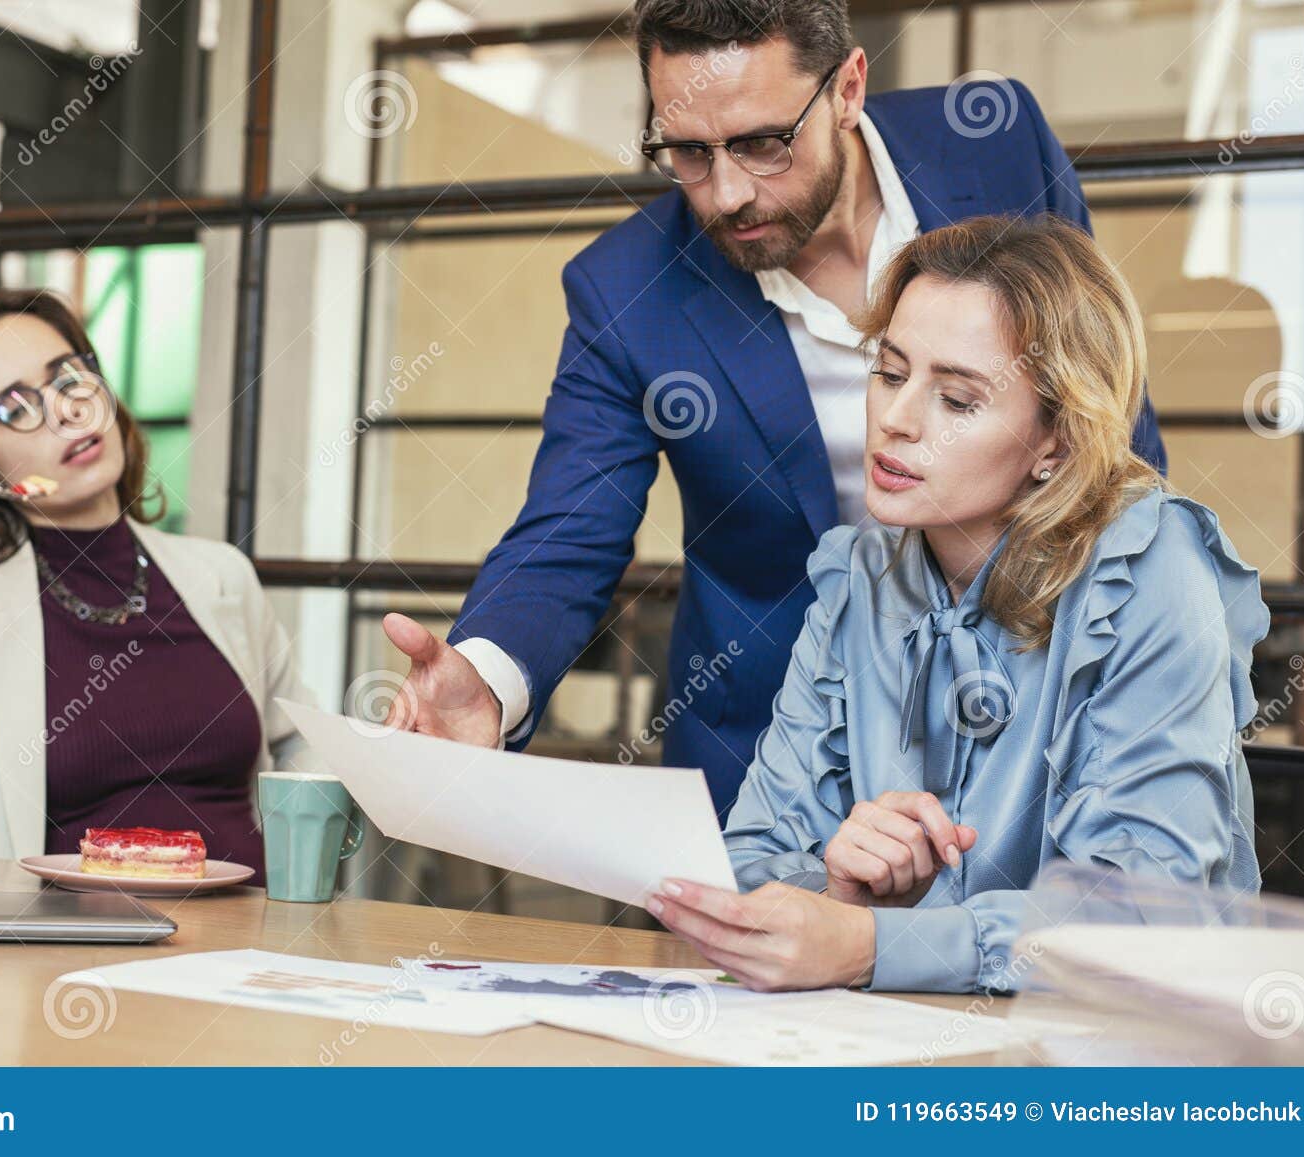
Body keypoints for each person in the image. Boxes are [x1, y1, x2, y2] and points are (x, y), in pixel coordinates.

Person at [376, 0, 1166, 815]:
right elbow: (569, 528)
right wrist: (487, 675)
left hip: (1024, 733)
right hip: (765, 765)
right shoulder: (623, 291)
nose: (725, 195)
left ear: (847, 88)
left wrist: (1131, 680)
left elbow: (1106, 429)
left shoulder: (995, 144)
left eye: (762, 143)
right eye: (687, 151)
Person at [645, 214, 1265, 993]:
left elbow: (1146, 918)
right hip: (897, 1051)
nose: (897, 419)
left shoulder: (1152, 566)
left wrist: (873, 943)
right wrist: (839, 896)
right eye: (890, 371)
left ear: (1058, 444)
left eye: (958, 400)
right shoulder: (862, 569)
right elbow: (744, 865)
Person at [0, 289, 319, 878]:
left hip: (246, 947)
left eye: (69, 376)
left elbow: (307, 747)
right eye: (13, 406)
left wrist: (302, 873)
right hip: (56, 958)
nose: (66, 412)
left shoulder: (220, 574)